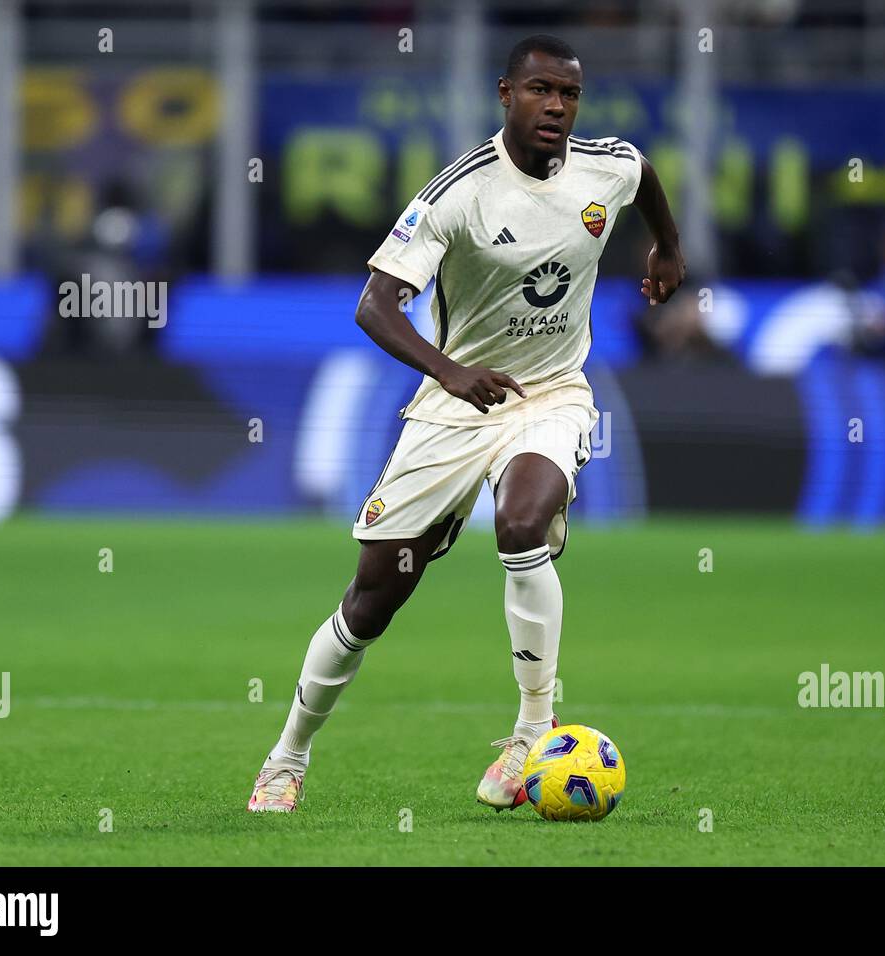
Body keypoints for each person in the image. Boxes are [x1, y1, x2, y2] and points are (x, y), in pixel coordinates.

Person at [248, 34, 685, 813]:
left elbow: (644, 175)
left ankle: (531, 734)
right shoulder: (459, 192)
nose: (556, 106)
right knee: (372, 597)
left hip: (551, 392)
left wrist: (666, 246)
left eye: (569, 95)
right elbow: (374, 304)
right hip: (455, 404)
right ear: (505, 95)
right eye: (541, 90)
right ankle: (287, 757)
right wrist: (449, 371)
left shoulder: (605, 166)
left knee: (520, 524)